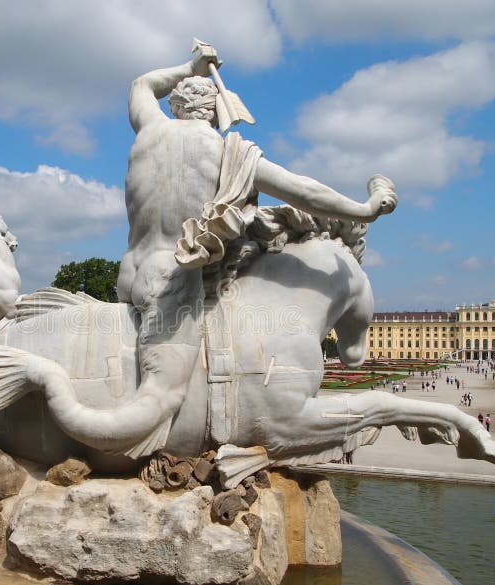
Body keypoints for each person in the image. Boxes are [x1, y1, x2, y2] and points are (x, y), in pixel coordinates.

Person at [117, 42, 398, 442]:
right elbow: (305, 192)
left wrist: (189, 65)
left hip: (129, 277)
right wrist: (364, 210)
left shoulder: (149, 129)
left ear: (176, 104)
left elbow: (141, 83)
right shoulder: (230, 153)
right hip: (173, 283)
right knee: (159, 403)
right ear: (216, 110)